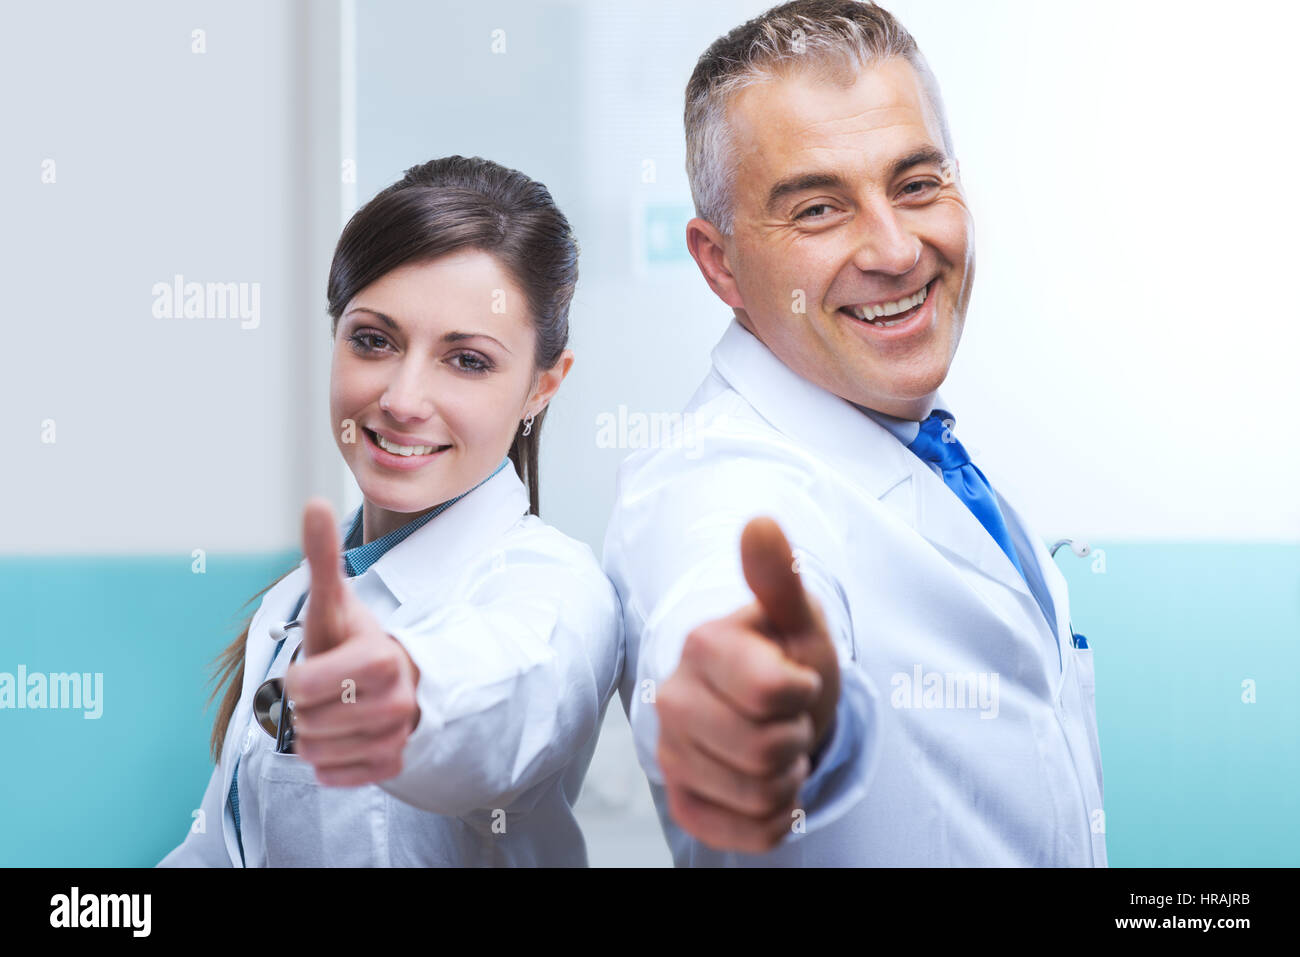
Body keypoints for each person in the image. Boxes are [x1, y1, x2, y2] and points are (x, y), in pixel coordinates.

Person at [602, 0, 1106, 866]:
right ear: (720, 263)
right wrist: (762, 712)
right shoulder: (714, 485)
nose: (896, 250)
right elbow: (725, 621)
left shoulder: (916, 437)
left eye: (916, 185)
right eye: (817, 209)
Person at [159, 155, 622, 867]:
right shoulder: (293, 601)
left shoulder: (555, 589)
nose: (403, 400)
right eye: (374, 340)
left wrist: (399, 693)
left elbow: (503, 697)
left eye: (467, 360)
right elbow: (217, 852)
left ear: (542, 386)